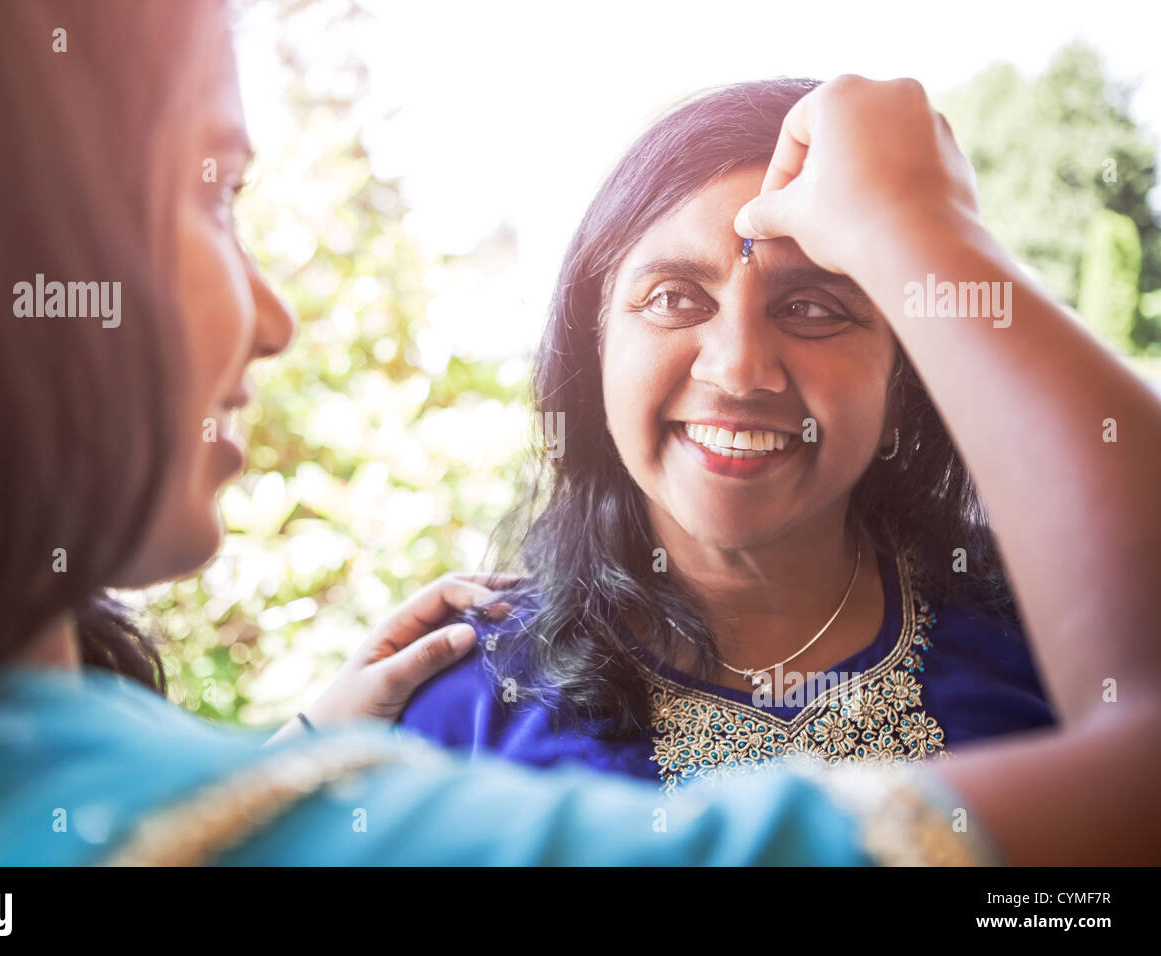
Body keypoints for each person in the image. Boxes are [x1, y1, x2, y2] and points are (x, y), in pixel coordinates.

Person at [0, 0, 1157, 866]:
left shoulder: (1033, 654)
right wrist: (932, 236)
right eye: (214, 198)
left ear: (907, 363)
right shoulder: (444, 711)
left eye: (824, 302)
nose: (741, 363)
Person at [399, 80, 1055, 793]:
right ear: (595, 357)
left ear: (904, 378)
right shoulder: (460, 713)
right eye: (675, 299)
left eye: (811, 307)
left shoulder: (1052, 645)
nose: (740, 370)